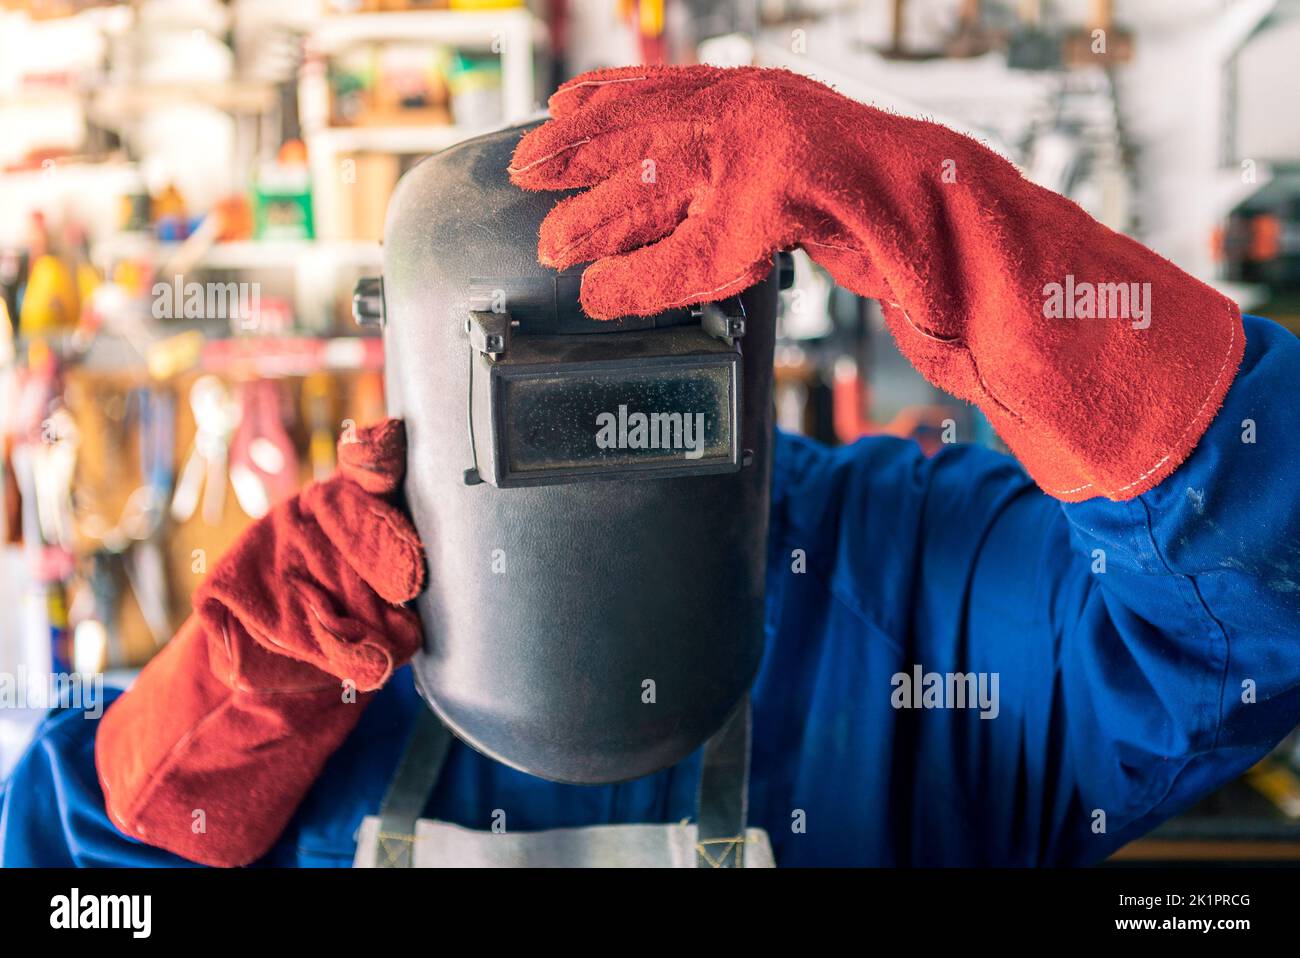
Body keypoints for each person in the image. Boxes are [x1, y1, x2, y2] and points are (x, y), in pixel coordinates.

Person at [3, 66, 1299, 868]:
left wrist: (958, 232)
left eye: (656, 388)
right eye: (541, 394)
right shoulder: (327, 636)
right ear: (406, 374)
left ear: (737, 329)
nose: (603, 441)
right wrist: (204, 722)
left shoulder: (900, 581)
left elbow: (1250, 615)